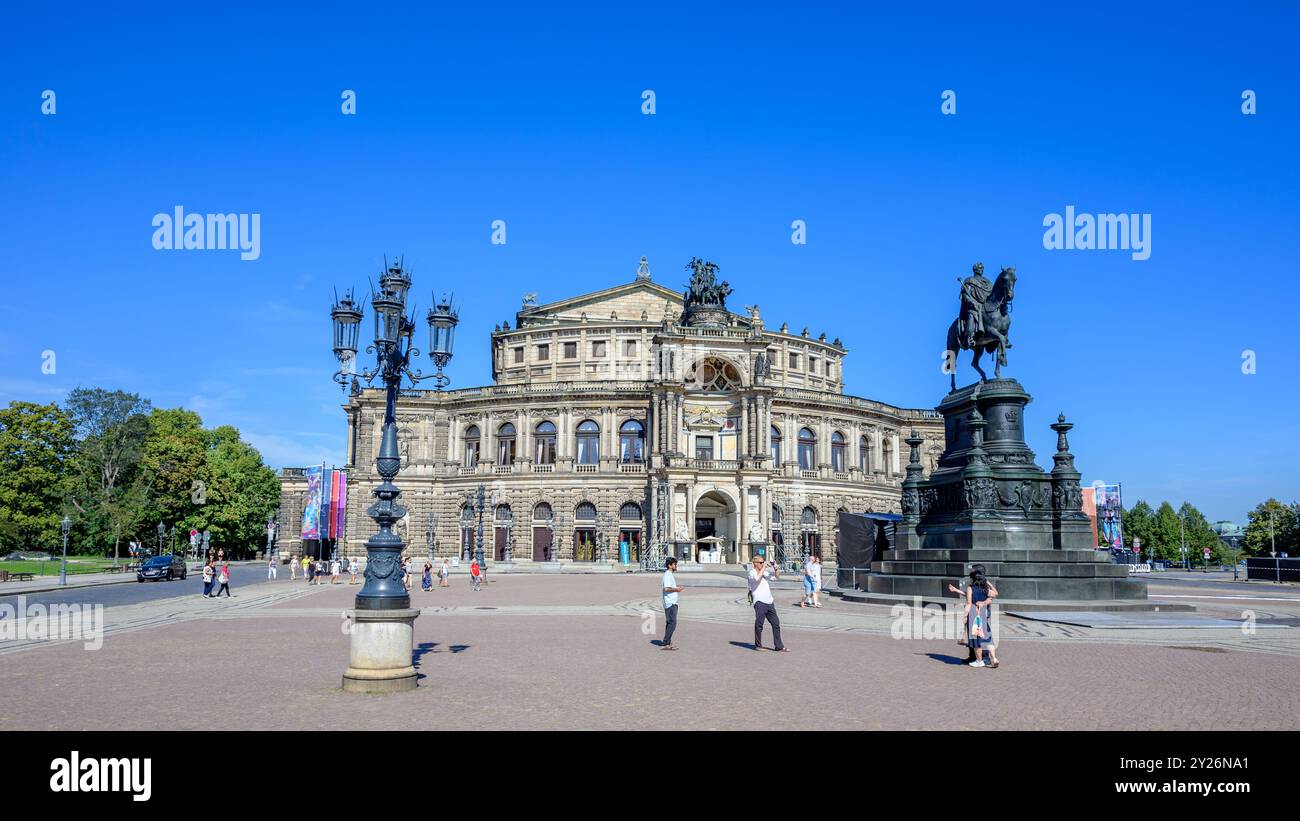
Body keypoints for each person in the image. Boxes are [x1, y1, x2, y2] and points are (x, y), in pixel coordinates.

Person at [747, 555, 787, 652]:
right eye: (760, 562)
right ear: (755, 563)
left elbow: (776, 578)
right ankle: (758, 645)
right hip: (759, 601)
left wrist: (776, 569)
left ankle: (779, 646)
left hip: (769, 601)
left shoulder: (763, 572)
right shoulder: (751, 573)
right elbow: (757, 579)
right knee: (759, 623)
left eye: (763, 562)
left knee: (776, 623)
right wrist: (764, 566)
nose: (762, 564)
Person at [966, 567, 1000, 668]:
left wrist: (964, 616)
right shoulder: (985, 589)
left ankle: (979, 660)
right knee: (988, 639)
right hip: (984, 617)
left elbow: (968, 602)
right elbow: (996, 593)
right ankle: (994, 658)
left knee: (976, 640)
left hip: (974, 616)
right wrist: (988, 583)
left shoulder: (970, 588)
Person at [661, 556, 683, 650]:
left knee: (670, 623)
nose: (676, 566)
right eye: (674, 564)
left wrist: (676, 587)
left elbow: (669, 587)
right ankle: (666, 643)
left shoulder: (669, 574)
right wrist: (676, 589)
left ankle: (667, 642)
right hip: (670, 603)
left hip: (672, 602)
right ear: (670, 565)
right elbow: (666, 588)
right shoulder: (667, 575)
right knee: (672, 623)